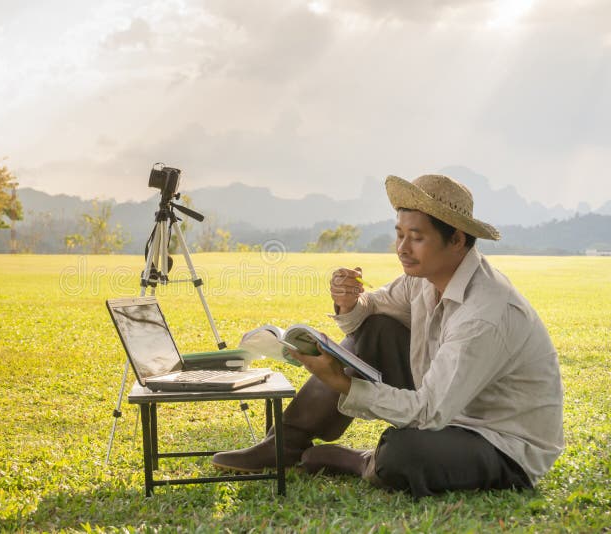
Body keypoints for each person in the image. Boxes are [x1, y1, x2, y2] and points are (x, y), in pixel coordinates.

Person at [212, 174, 564, 498]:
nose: (402, 248)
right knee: (378, 326)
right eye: (400, 234)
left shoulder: (485, 313)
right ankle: (284, 445)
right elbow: (370, 310)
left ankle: (362, 461)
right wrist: (350, 300)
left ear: (456, 240)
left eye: (417, 237)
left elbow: (429, 412)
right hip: (449, 412)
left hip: (501, 442)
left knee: (404, 452)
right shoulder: (423, 279)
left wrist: (342, 382)